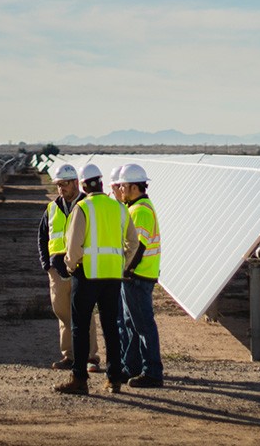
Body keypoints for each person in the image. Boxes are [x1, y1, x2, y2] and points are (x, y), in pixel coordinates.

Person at [53, 162, 136, 395]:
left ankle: (79, 379)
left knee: (80, 327)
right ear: (100, 182)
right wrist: (123, 264)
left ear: (82, 185)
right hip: (112, 277)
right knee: (111, 328)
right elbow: (133, 242)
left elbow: (74, 245)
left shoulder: (83, 208)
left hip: (87, 275)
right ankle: (114, 379)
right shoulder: (119, 208)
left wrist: (70, 266)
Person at [37, 163, 100, 372]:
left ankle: (90, 357)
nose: (61, 188)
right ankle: (70, 356)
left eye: (64, 184)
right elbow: (42, 236)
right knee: (62, 313)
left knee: (84, 312)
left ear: (75, 183)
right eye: (58, 184)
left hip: (82, 268)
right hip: (57, 271)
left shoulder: (87, 205)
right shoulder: (52, 208)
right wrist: (47, 265)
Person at [113, 162, 163, 388]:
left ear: (134, 187)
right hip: (136, 276)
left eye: (123, 186)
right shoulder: (136, 208)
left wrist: (126, 271)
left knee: (143, 325)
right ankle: (131, 367)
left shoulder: (140, 211)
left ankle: (152, 372)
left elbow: (137, 248)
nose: (120, 190)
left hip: (138, 276)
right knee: (131, 325)